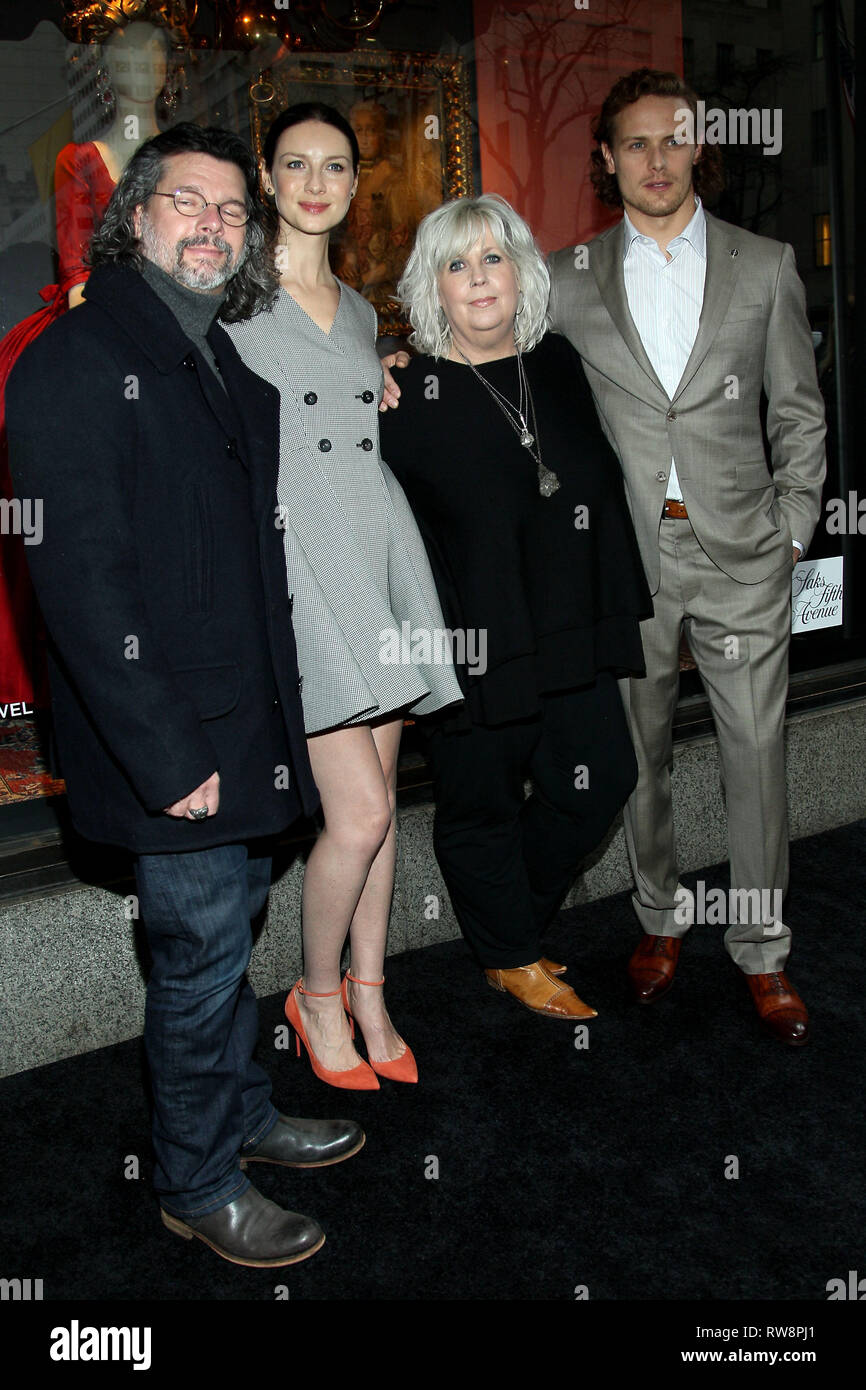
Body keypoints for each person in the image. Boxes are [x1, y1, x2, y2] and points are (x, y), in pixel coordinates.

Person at [6, 123, 365, 1268]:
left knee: (231, 941)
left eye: (228, 211)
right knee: (199, 959)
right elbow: (77, 579)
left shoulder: (208, 351)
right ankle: (195, 1181)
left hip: (238, 724)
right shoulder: (78, 359)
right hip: (172, 743)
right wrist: (168, 758)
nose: (212, 224)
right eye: (186, 205)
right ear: (135, 220)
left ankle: (242, 1112)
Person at [547, 68, 827, 1045]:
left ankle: (761, 949)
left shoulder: (764, 264)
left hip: (744, 553)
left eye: (672, 140)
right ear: (607, 158)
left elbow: (796, 410)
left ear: (696, 148)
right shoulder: (565, 279)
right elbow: (514, 391)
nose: (654, 160)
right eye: (634, 142)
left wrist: (791, 528)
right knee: (638, 756)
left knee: (755, 756)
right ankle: (657, 919)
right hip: (627, 558)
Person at [225, 103, 462, 1088]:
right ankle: (312, 992)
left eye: (334, 165)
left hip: (378, 552)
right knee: (355, 816)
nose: (315, 181)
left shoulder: (366, 315)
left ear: (353, 183)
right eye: (294, 164)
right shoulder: (229, 309)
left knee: (385, 810)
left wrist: (385, 370)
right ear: (267, 180)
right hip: (301, 572)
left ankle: (370, 988)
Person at [378, 193, 652, 1019]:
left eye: (492, 257)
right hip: (475, 640)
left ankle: (508, 930)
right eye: (456, 265)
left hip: (569, 625)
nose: (478, 279)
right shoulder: (399, 394)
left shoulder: (558, 363)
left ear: (522, 269)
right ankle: (510, 954)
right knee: (481, 802)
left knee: (601, 777)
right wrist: (374, 355)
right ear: (434, 288)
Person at [0, 12, 182, 705]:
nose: (140, 70)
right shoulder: (79, 161)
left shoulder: (190, 158)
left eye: (152, 58)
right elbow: (80, 273)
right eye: (125, 58)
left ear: (168, 70)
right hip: (100, 324)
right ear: (105, 72)